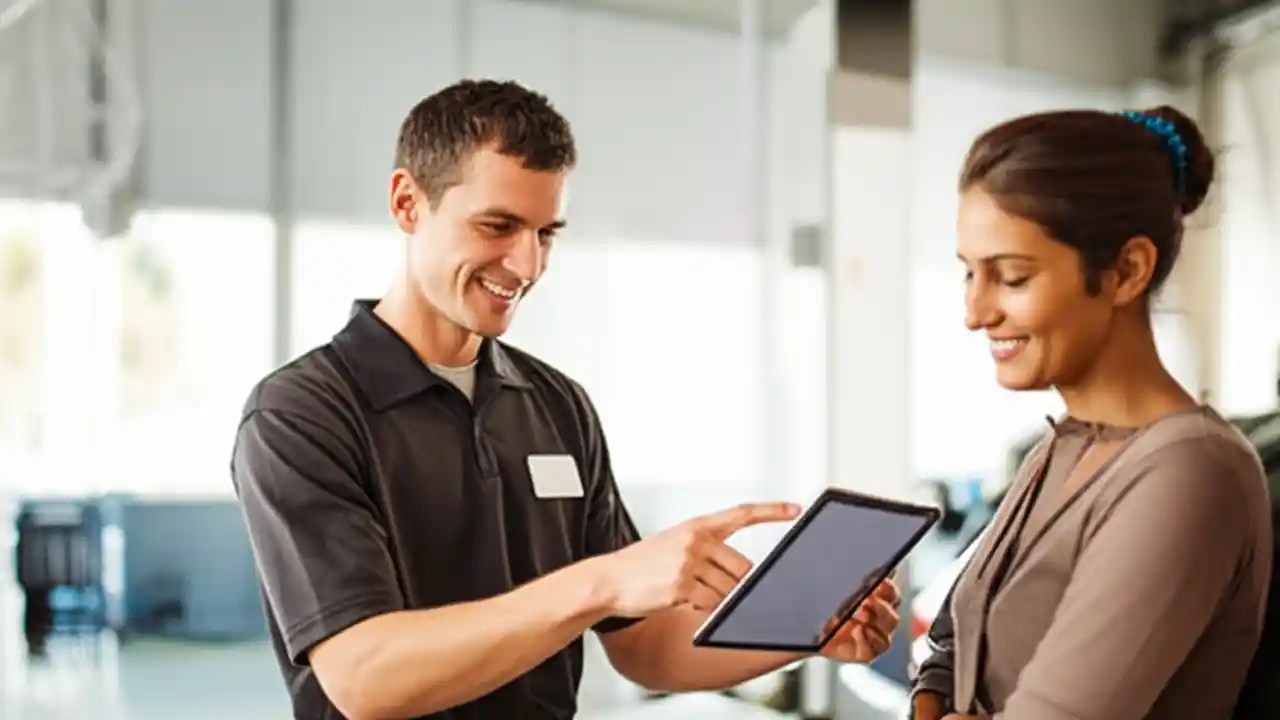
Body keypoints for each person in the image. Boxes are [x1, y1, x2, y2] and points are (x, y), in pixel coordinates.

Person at [230, 79, 901, 720]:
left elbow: (643, 646)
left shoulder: (556, 405)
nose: (527, 266)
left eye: (545, 233)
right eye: (497, 226)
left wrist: (802, 628)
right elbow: (364, 679)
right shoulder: (301, 415)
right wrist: (602, 580)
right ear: (408, 203)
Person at [910, 106, 1273, 720]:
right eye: (970, 273)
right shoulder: (1057, 448)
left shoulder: (1189, 474)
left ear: (1127, 271)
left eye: (1012, 277)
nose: (975, 312)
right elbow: (950, 641)